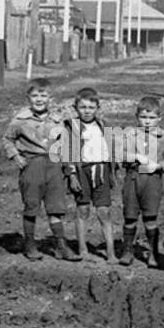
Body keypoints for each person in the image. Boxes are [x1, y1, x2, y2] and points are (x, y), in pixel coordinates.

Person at [1, 78, 80, 261]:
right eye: (35, 95)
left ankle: (61, 246)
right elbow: (7, 139)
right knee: (31, 206)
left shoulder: (58, 118)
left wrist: (70, 169)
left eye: (43, 95)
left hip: (54, 166)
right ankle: (30, 245)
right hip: (33, 164)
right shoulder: (20, 120)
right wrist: (15, 156)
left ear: (50, 98)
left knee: (56, 208)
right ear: (28, 98)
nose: (39, 99)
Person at [116, 96, 164, 267]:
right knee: (130, 217)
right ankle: (127, 250)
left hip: (152, 180)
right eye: (143, 117)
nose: (147, 121)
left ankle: (153, 253)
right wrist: (135, 156)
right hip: (133, 178)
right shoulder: (130, 134)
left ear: (159, 118)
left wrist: (158, 166)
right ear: (137, 117)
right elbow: (119, 154)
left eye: (151, 118)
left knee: (150, 218)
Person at [61, 87, 116, 262]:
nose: (87, 111)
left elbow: (111, 148)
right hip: (81, 171)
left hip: (101, 171)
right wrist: (71, 174)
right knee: (82, 209)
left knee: (104, 211)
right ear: (75, 107)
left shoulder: (103, 125)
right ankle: (82, 249)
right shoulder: (71, 127)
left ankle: (111, 252)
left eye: (91, 107)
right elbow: (67, 152)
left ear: (97, 108)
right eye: (83, 107)